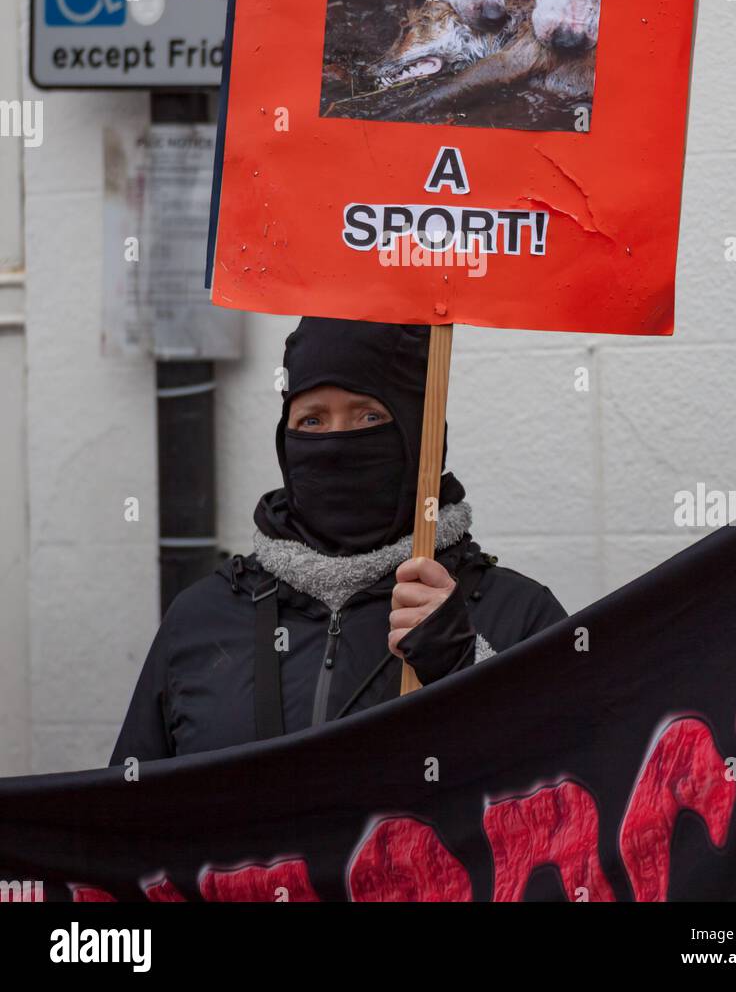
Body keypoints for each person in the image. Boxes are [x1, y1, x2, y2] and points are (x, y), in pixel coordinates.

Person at [109, 318, 567, 763]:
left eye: (369, 415)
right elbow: (130, 826)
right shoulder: (200, 619)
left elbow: (570, 805)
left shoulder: (517, 616)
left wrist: (468, 667)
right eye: (311, 421)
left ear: (421, 435)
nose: (336, 443)